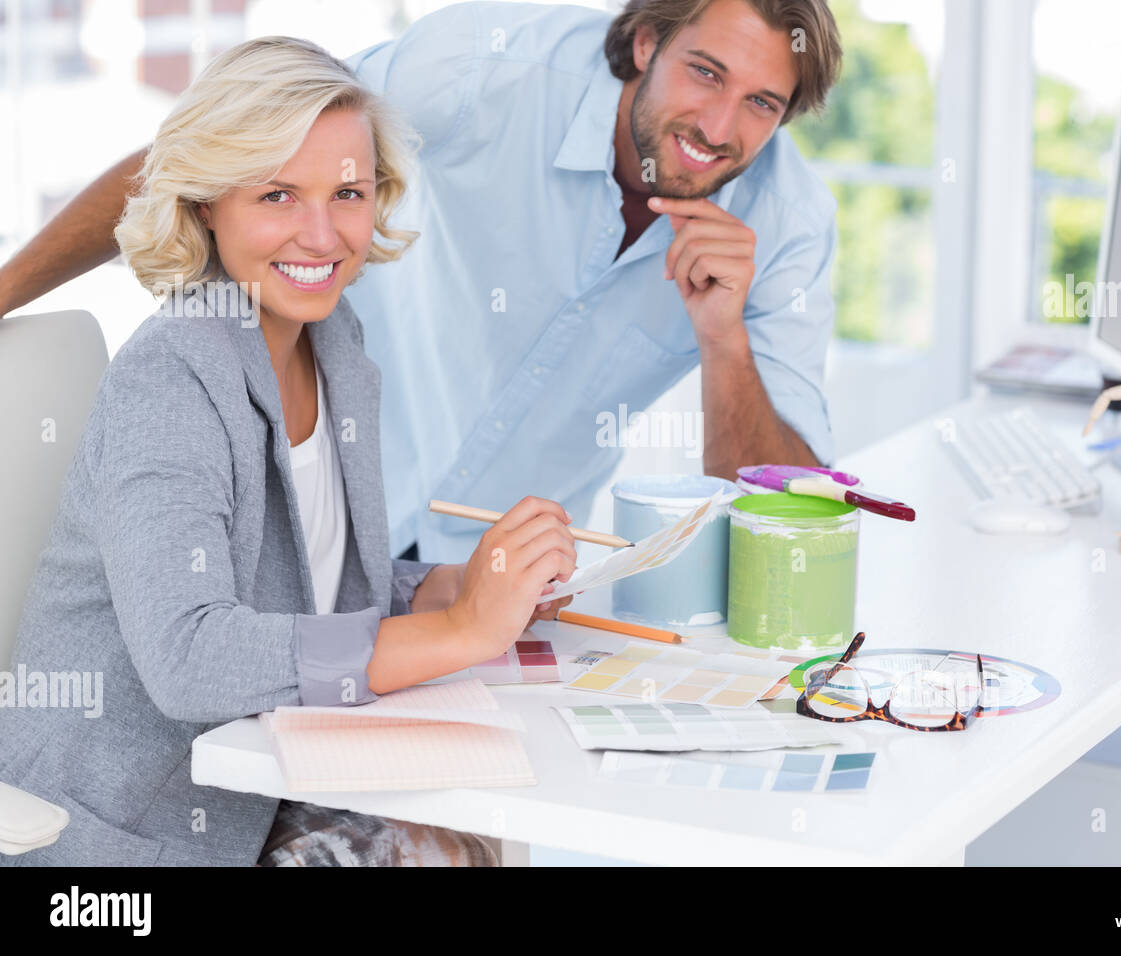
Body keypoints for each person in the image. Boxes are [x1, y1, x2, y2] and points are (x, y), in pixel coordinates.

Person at [0, 36, 575, 867]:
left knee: (472, 840)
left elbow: (308, 584)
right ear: (205, 205)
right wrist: (455, 633)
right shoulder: (171, 373)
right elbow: (192, 657)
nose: (321, 233)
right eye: (276, 194)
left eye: (347, 192)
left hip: (261, 778)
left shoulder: (335, 342)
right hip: (118, 832)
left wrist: (459, 589)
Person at [0, 0, 845, 565]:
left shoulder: (788, 225)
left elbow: (788, 506)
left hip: (489, 576)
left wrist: (723, 340)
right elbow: (207, 153)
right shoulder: (488, 70)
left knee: (439, 831)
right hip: (297, 513)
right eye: (706, 72)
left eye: (763, 103)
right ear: (647, 42)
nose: (720, 127)